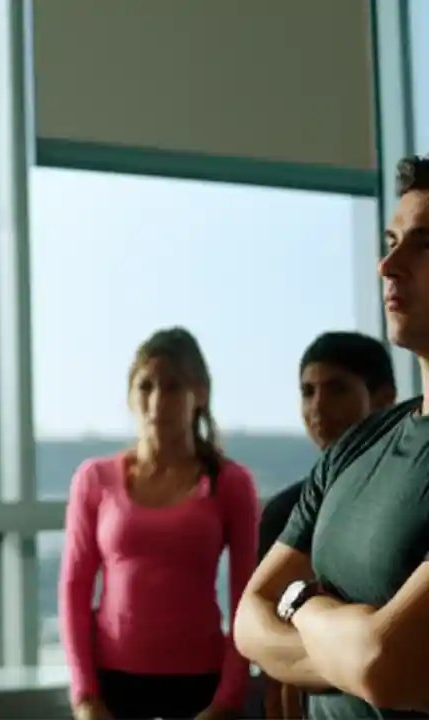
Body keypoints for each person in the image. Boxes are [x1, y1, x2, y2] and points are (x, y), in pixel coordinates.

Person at [233, 156, 429, 719]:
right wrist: (351, 651)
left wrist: (300, 604)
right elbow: (249, 620)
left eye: (424, 245)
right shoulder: (359, 445)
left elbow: (383, 663)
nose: (388, 265)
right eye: (390, 243)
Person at [59, 327, 259, 720]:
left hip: (201, 685)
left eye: (172, 387)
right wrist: (84, 697)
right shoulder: (94, 479)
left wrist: (227, 700)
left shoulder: (231, 483)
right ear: (129, 395)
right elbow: (74, 588)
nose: (156, 402)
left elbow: (247, 596)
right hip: (113, 685)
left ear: (200, 394)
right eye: (145, 386)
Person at [256, 332, 395, 718]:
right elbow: (271, 655)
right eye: (308, 392)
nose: (318, 406)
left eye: (337, 389)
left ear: (384, 398)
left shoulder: (404, 504)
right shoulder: (285, 514)